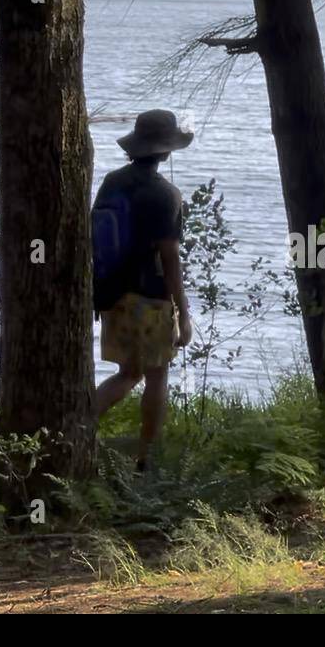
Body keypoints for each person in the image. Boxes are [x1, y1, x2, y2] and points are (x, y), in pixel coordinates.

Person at [92, 109, 194, 472]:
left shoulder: (112, 182)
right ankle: (147, 458)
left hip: (111, 295)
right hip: (149, 299)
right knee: (150, 375)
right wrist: (182, 314)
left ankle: (76, 431)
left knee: (127, 372)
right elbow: (170, 259)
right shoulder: (166, 194)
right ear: (166, 151)